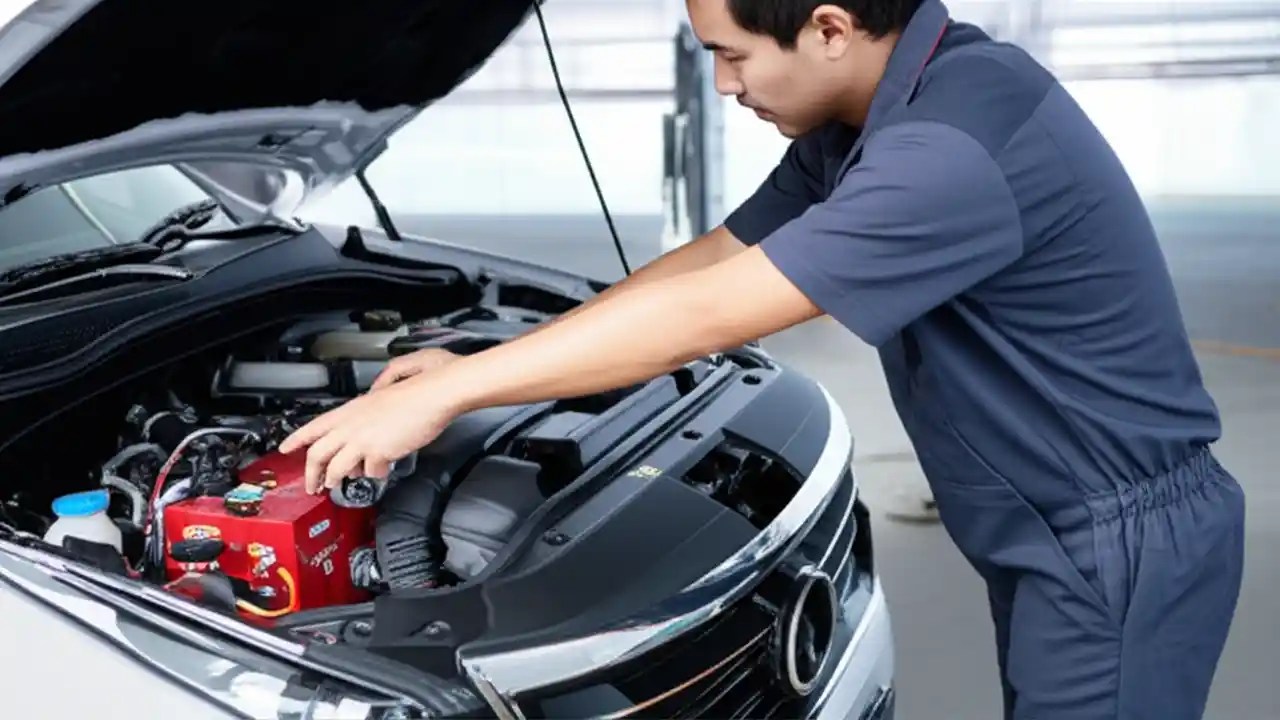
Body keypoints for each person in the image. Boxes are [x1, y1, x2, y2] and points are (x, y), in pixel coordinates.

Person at [279, 1, 1246, 717]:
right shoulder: (880, 112)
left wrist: (460, 394)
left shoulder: (949, 149)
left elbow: (716, 311)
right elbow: (716, 258)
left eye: (731, 56)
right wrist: (486, 357)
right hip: (1057, 527)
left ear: (828, 28)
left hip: (1116, 544)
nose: (724, 84)